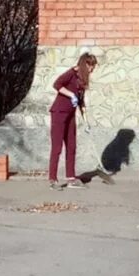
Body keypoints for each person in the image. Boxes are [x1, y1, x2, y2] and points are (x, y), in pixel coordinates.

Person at [49, 52, 98, 189]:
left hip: (71, 115)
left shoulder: (82, 80)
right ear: (85, 64)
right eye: (91, 66)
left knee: (71, 146)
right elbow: (57, 84)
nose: (92, 69)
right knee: (57, 147)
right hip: (59, 113)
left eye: (93, 66)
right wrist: (71, 94)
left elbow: (81, 102)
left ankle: (71, 178)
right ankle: (52, 180)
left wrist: (86, 122)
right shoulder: (71, 73)